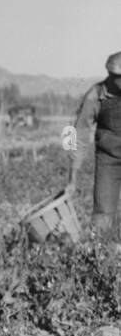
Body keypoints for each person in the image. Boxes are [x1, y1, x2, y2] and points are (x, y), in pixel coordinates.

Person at [69, 52, 121, 237]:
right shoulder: (96, 94)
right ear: (111, 76)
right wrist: (73, 176)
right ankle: (101, 257)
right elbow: (79, 132)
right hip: (108, 160)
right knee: (102, 217)